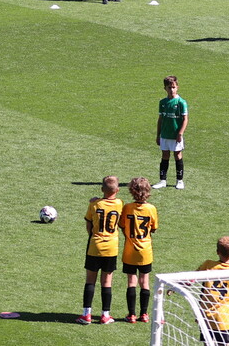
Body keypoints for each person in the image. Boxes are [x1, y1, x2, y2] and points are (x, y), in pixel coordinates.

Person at [79, 175, 123, 325]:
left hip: (95, 246)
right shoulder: (120, 204)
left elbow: (88, 225)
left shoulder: (94, 204)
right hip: (111, 248)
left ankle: (86, 314)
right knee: (107, 281)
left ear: (102, 189)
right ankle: (105, 315)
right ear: (117, 190)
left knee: (90, 280)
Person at [119, 177, 159, 324]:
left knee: (131, 282)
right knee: (145, 282)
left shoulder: (127, 207)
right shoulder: (151, 208)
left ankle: (131, 315)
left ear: (131, 190)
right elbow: (153, 228)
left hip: (129, 250)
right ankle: (144, 314)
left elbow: (122, 225)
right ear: (148, 191)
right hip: (145, 251)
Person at [157, 75, 188, 189]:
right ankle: (162, 180)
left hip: (176, 135)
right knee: (165, 155)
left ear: (177, 87)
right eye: (169, 87)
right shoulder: (163, 102)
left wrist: (180, 133)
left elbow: (185, 119)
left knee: (177, 155)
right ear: (165, 88)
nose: (172, 90)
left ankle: (179, 181)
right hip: (165, 134)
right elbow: (160, 119)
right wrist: (158, 135)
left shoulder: (181, 102)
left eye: (173, 87)